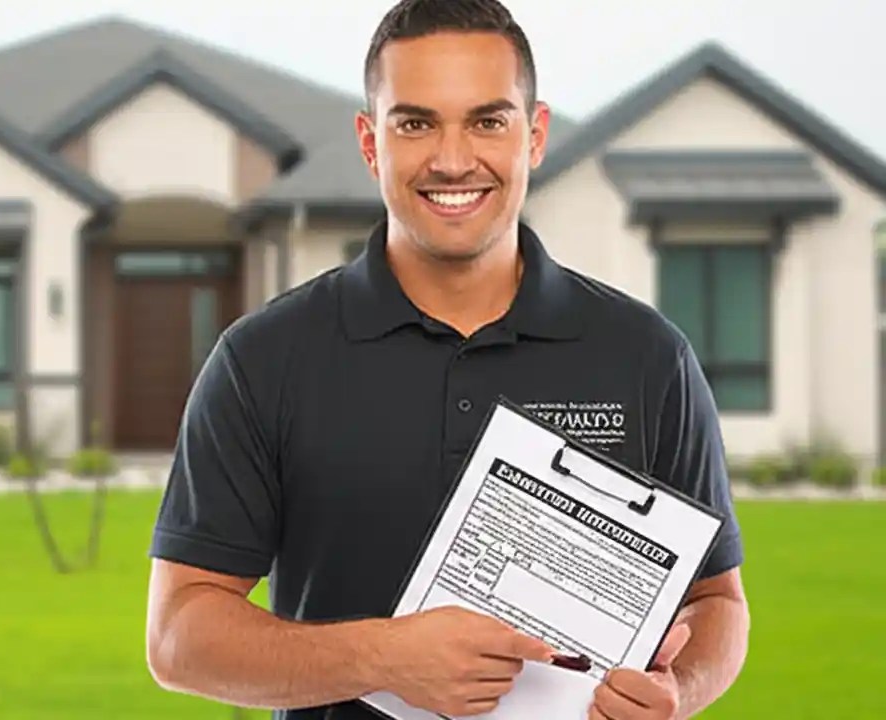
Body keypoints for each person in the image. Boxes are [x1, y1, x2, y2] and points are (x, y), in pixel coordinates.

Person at [144, 0, 749, 718]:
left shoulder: (647, 358)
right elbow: (180, 635)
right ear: (371, 143)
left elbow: (718, 603)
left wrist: (678, 694)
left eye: (488, 121)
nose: (453, 159)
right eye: (416, 123)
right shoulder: (264, 360)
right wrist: (384, 657)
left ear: (536, 135)